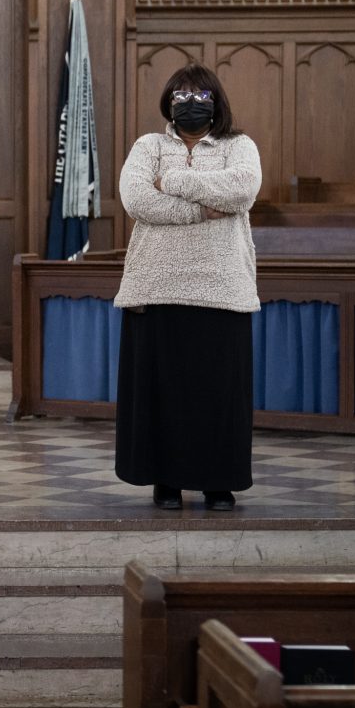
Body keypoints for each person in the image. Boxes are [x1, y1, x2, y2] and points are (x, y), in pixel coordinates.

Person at [113, 63, 261, 512]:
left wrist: (174, 182)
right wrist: (199, 210)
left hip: (221, 287)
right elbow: (137, 198)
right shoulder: (149, 145)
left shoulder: (239, 146)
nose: (190, 104)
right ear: (168, 102)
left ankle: (219, 482)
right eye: (181, 96)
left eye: (200, 96)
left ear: (216, 103)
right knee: (164, 394)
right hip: (156, 286)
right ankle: (167, 481)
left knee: (218, 394)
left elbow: (241, 190)